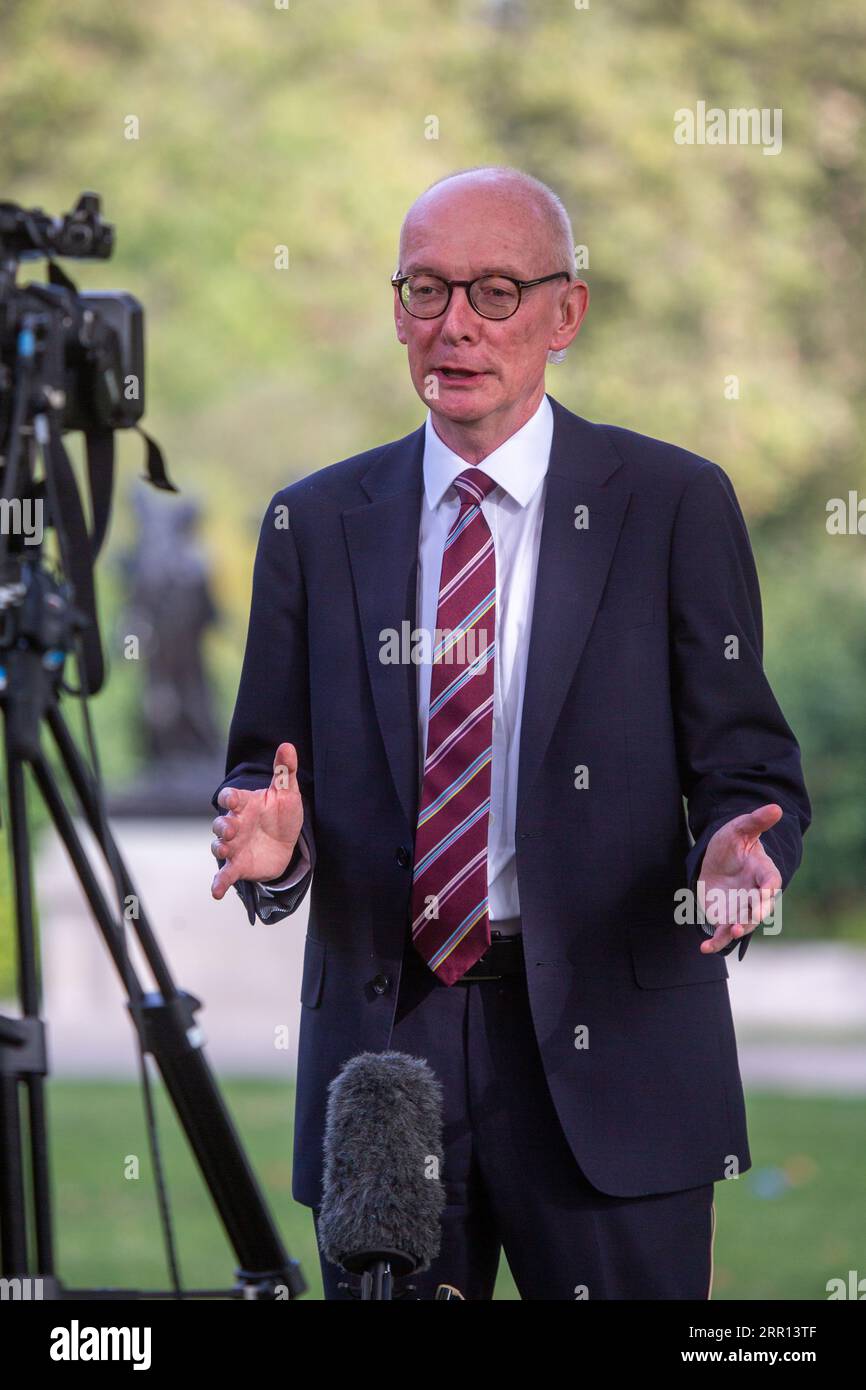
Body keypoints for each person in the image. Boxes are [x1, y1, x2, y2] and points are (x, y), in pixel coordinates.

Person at [209, 165, 811, 1300]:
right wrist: (271, 846)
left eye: (493, 291)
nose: (455, 326)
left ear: (562, 312)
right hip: (386, 1053)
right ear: (394, 312)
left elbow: (747, 769)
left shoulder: (671, 504)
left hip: (612, 1043)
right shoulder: (315, 520)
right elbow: (263, 768)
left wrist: (738, 856)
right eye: (426, 290)